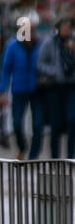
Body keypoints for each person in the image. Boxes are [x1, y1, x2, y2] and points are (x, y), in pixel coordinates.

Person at [0, 23, 40, 160]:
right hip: (18, 89)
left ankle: (33, 155)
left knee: (38, 124)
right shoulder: (13, 46)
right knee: (16, 122)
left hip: (37, 90)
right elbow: (6, 69)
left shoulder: (39, 45)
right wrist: (3, 90)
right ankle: (22, 147)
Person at [36, 17, 75, 159]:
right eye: (64, 26)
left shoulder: (73, 41)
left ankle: (71, 156)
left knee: (72, 121)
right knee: (55, 124)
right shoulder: (50, 43)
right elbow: (40, 63)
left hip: (71, 86)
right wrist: (53, 71)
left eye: (69, 27)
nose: (67, 30)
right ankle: (55, 157)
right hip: (55, 87)